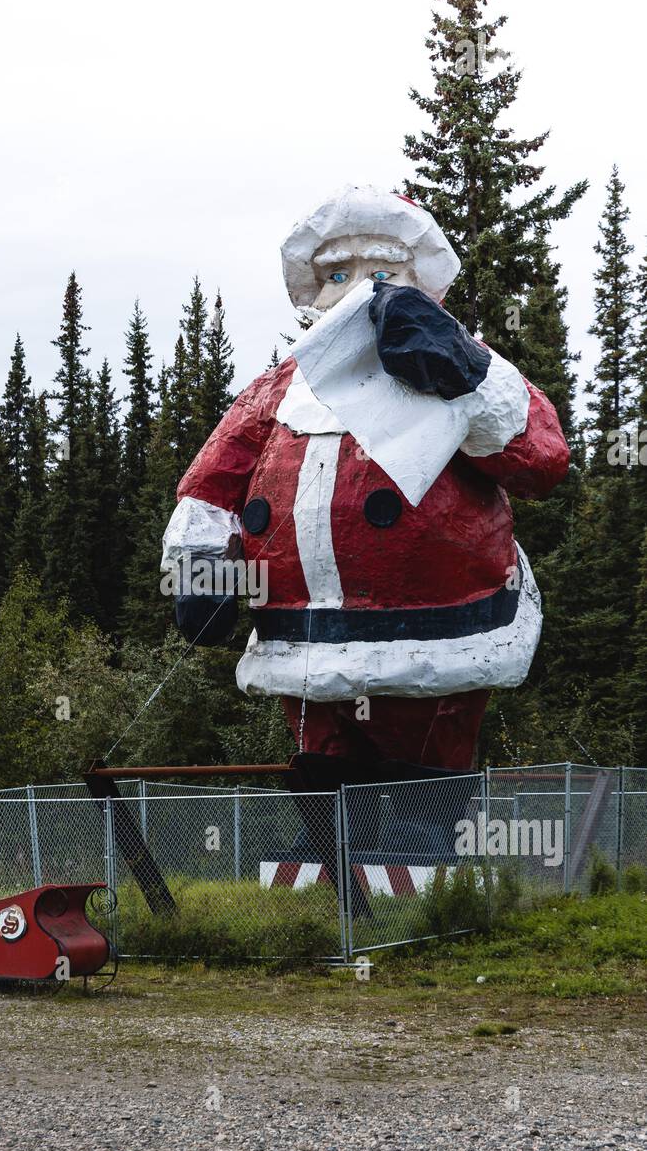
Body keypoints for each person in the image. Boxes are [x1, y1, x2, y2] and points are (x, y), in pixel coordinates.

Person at [161, 185, 569, 782]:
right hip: (300, 630)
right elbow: (212, 485)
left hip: (437, 625)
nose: (358, 289)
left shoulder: (459, 366)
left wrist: (458, 369)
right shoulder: (279, 389)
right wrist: (200, 565)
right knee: (320, 759)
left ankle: (423, 849)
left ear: (420, 284)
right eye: (337, 274)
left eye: (381, 271)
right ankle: (328, 845)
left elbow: (540, 461)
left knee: (420, 753)